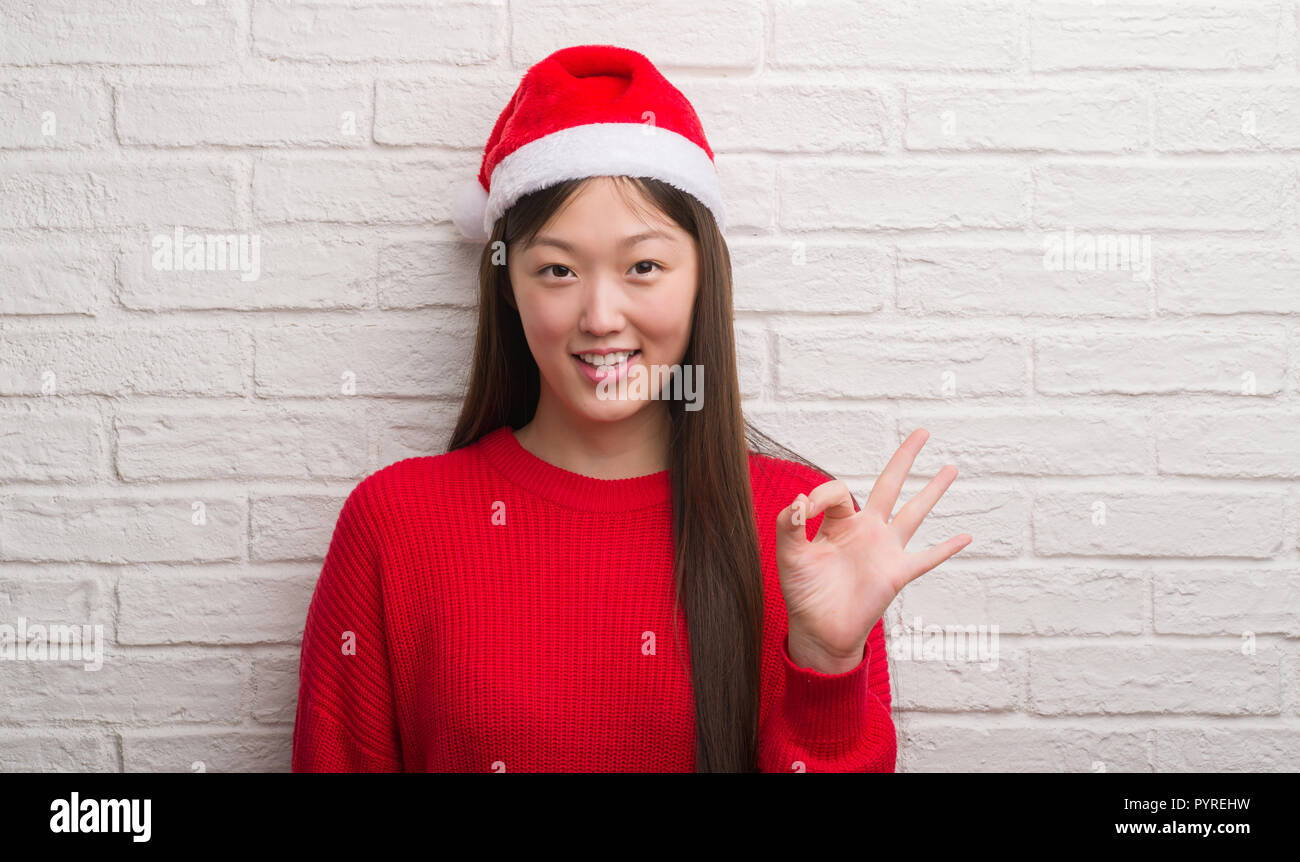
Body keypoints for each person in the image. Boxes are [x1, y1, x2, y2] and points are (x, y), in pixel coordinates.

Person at [291, 43, 971, 773]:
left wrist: (829, 665)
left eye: (643, 266)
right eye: (557, 270)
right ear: (507, 287)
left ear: (702, 276)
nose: (601, 315)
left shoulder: (805, 533)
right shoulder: (395, 526)